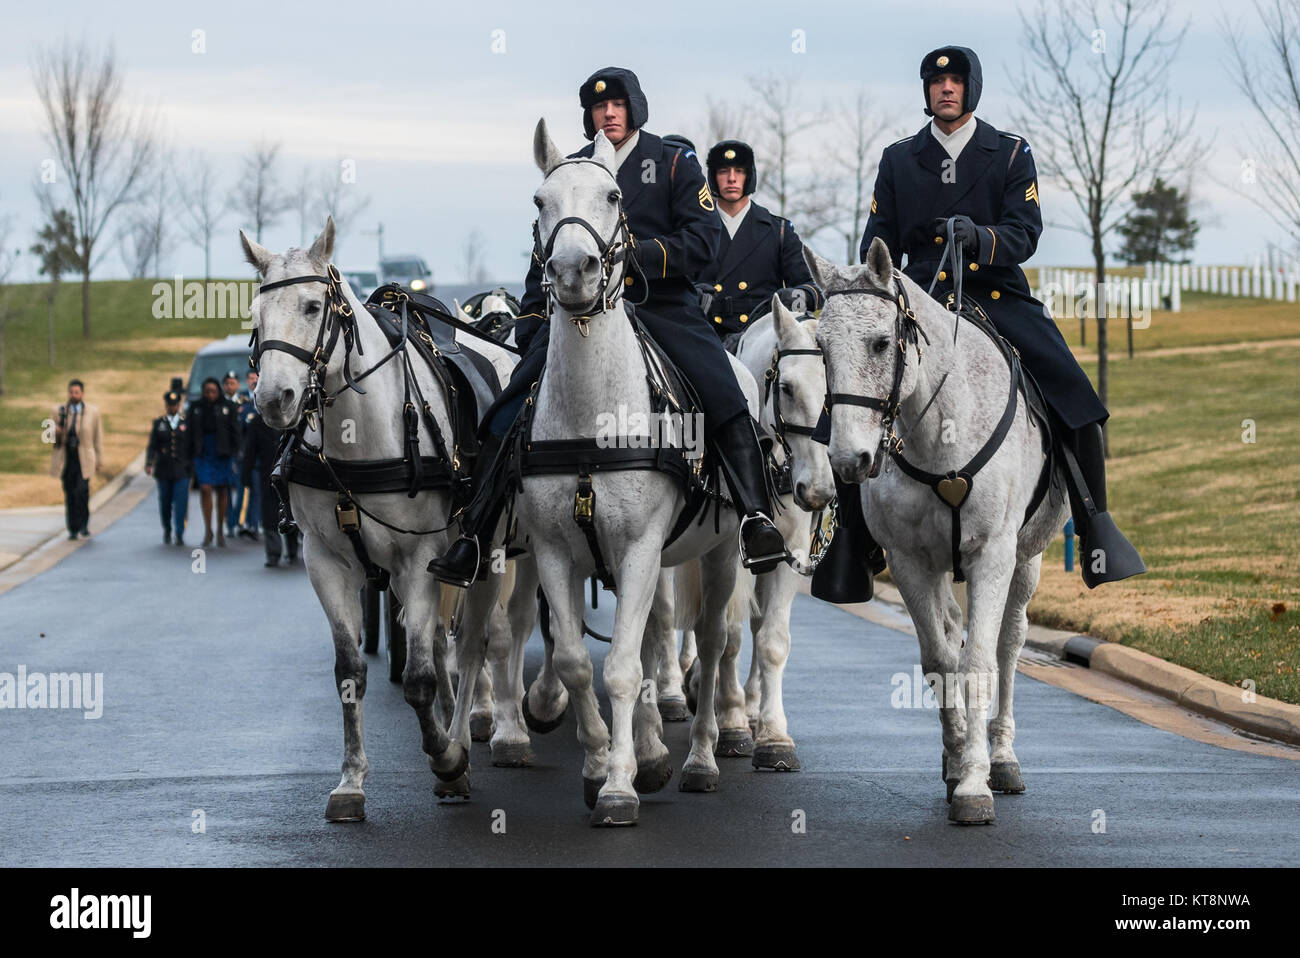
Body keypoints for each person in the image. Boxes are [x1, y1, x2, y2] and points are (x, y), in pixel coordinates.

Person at [428, 67, 789, 587]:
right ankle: (477, 534)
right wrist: (533, 323)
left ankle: (755, 517)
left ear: (635, 108)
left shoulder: (673, 163)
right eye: (599, 108)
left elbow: (705, 239)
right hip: (578, 317)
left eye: (618, 105)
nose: (608, 114)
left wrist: (635, 256)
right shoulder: (571, 172)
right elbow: (546, 253)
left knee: (723, 389)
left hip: (660, 307)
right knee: (508, 407)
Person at [823, 44, 1145, 600]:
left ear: (971, 88)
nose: (945, 89)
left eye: (955, 81)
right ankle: (852, 540)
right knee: (852, 403)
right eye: (936, 82)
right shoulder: (898, 158)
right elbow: (878, 244)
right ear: (927, 92)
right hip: (921, 300)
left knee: (1076, 396)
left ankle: (1096, 528)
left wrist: (982, 238)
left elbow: (1027, 231)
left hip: (995, 293)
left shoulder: (1011, 152)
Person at [699, 139, 823, 339]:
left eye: (739, 171)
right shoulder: (696, 229)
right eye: (723, 171)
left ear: (750, 176)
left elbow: (812, 287)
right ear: (713, 177)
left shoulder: (779, 231)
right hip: (706, 337)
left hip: (761, 339)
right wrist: (692, 295)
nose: (732, 179)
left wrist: (795, 296)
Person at [242, 405, 298, 567]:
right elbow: (250, 451)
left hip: (291, 476)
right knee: (269, 515)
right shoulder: (257, 423)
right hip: (267, 476)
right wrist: (246, 475)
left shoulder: (293, 420)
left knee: (292, 512)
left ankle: (292, 549)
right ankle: (273, 553)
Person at [188, 377, 240, 548]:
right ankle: (208, 529)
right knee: (205, 488)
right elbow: (189, 432)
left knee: (223, 490)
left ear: (218, 391)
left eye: (213, 391)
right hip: (203, 452)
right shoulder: (196, 408)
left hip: (222, 452)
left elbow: (235, 432)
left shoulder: (229, 407)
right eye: (207, 391)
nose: (210, 394)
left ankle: (220, 530)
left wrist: (236, 453)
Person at [49, 378, 103, 540]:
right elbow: (48, 439)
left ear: (82, 394)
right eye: (71, 392)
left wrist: (99, 458)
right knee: (70, 493)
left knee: (81, 492)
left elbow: (98, 436)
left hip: (84, 459)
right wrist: (56, 432)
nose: (73, 395)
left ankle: (84, 523)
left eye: (77, 392)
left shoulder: (92, 412)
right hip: (67, 458)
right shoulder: (58, 411)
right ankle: (72, 528)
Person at [145, 381, 192, 545]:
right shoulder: (159, 423)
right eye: (169, 405)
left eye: (174, 405)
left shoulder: (186, 422)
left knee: (181, 503)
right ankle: (167, 529)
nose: (172, 408)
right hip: (164, 469)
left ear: (178, 405)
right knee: (165, 501)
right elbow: (153, 445)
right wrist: (149, 463)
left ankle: (179, 532)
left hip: (182, 469)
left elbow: (191, 446)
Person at [221, 371, 247, 538]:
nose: (230, 386)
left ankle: (240, 521)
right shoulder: (220, 404)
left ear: (238, 385)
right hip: (226, 453)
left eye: (233, 383)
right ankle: (229, 522)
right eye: (227, 383)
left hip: (242, 452)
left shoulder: (245, 403)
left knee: (242, 489)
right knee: (226, 490)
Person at [237, 370, 261, 540]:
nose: (253, 382)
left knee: (260, 493)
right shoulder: (245, 405)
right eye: (251, 379)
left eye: (256, 379)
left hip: (265, 455)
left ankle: (256, 523)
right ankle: (246, 523)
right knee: (247, 491)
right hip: (249, 455)